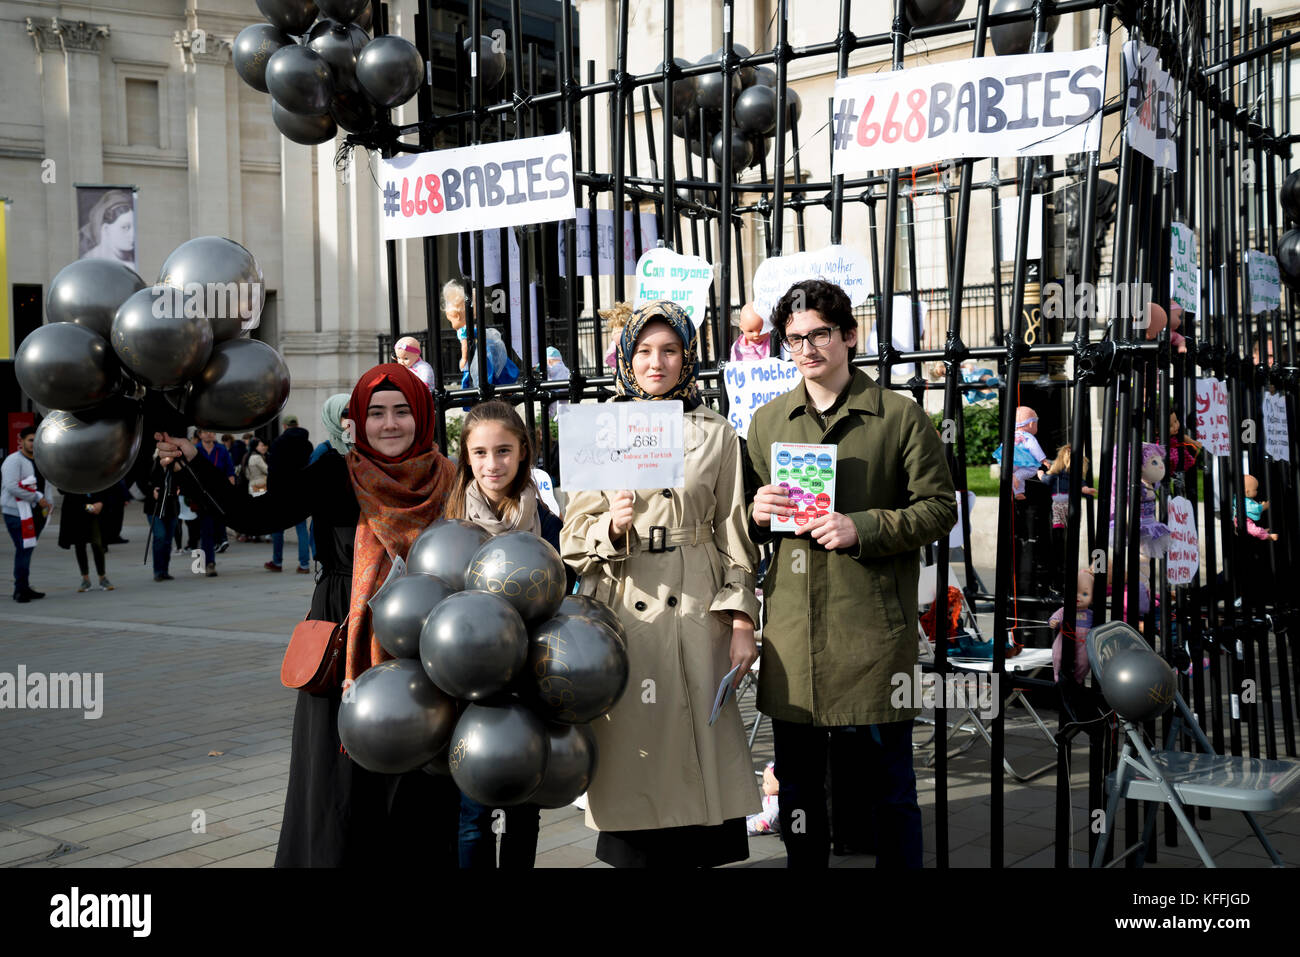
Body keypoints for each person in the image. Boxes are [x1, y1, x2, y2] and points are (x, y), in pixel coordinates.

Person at [156, 362, 460, 868]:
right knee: (341, 786)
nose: (389, 424)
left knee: (419, 778)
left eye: (403, 412)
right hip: (347, 645)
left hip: (426, 649)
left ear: (423, 415)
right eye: (376, 413)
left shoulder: (448, 479)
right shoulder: (336, 473)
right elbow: (254, 515)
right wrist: (194, 461)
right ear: (356, 420)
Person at [746, 279, 957, 869]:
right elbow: (743, 519)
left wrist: (861, 527)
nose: (807, 348)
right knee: (800, 794)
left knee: (891, 790)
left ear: (848, 336)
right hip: (792, 634)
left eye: (819, 334)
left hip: (871, 631)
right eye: (794, 339)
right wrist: (757, 513)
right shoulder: (766, 423)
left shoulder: (899, 416)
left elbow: (940, 507)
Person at [560, 300, 761, 868]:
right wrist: (611, 524)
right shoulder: (602, 427)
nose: (657, 362)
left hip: (698, 606)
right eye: (644, 350)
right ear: (626, 357)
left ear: (686, 356)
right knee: (635, 750)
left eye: (669, 349)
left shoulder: (718, 432)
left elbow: (735, 530)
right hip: (628, 608)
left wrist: (743, 620)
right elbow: (572, 540)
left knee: (698, 742)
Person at [445, 400, 567, 869]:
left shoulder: (547, 522)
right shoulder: (453, 524)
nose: (491, 464)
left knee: (524, 809)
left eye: (502, 451)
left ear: (522, 453)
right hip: (471, 679)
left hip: (531, 676)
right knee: (473, 811)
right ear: (466, 458)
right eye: (479, 453)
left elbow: (565, 591)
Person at [2, 426, 50, 602]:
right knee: (23, 549)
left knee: (27, 550)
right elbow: (11, 486)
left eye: (36, 440)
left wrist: (48, 502)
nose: (33, 444)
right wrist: (37, 497)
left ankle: (24, 586)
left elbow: (47, 484)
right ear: (21, 441)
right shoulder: (13, 460)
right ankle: (20, 589)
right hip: (17, 513)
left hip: (37, 513)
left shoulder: (41, 460)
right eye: (30, 440)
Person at [267, 416, 313, 574]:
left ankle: (277, 561)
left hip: (280, 491)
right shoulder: (307, 444)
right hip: (300, 492)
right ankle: (304, 564)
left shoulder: (278, 443)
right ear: (297, 425)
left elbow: (272, 470)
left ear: (285, 426)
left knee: (278, 528)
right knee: (301, 529)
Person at [193, 430, 235, 575]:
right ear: (200, 434)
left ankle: (205, 559)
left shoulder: (221, 450)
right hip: (203, 497)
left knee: (218, 529)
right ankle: (209, 563)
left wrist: (230, 492)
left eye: (211, 432)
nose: (209, 434)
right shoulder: (195, 450)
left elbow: (230, 472)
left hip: (220, 496)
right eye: (206, 432)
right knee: (206, 531)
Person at [58, 489, 112, 592]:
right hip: (77, 509)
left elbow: (103, 484)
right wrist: (91, 507)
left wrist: (100, 502)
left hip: (95, 506)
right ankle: (85, 579)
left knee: (97, 544)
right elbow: (62, 489)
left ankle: (102, 577)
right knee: (80, 545)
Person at [141, 452, 180, 581]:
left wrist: (180, 488)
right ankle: (157, 571)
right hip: (154, 509)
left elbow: (186, 481)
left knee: (168, 540)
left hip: (171, 508)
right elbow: (139, 483)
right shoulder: (150, 464)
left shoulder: (176, 466)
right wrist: (151, 490)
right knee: (160, 536)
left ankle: (164, 570)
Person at [79, 188, 135, 265]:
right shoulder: (88, 261)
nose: (132, 235)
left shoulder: (133, 262)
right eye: (125, 227)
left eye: (134, 228)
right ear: (106, 229)